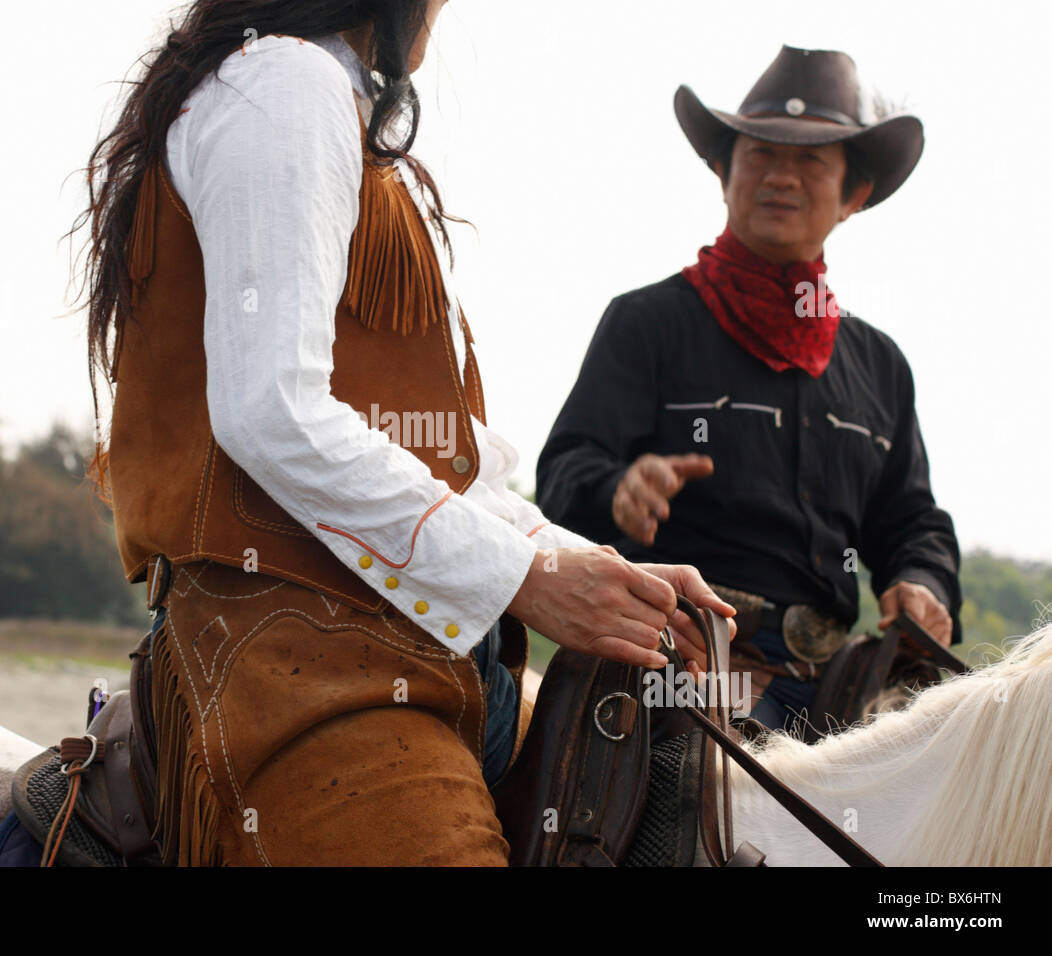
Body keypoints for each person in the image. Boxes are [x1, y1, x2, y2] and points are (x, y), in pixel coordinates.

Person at [75, 1, 733, 866]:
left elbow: (443, 468)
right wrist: (527, 580)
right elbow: (271, 413)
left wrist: (589, 570)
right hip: (291, 648)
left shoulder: (333, 110)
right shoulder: (288, 83)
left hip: (411, 650)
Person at [536, 46, 961, 735]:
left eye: (810, 164)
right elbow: (563, 473)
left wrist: (924, 581)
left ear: (854, 195)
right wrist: (618, 490)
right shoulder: (647, 323)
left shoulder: (880, 365)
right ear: (722, 170)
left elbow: (911, 520)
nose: (781, 179)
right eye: (761, 157)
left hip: (837, 687)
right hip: (678, 660)